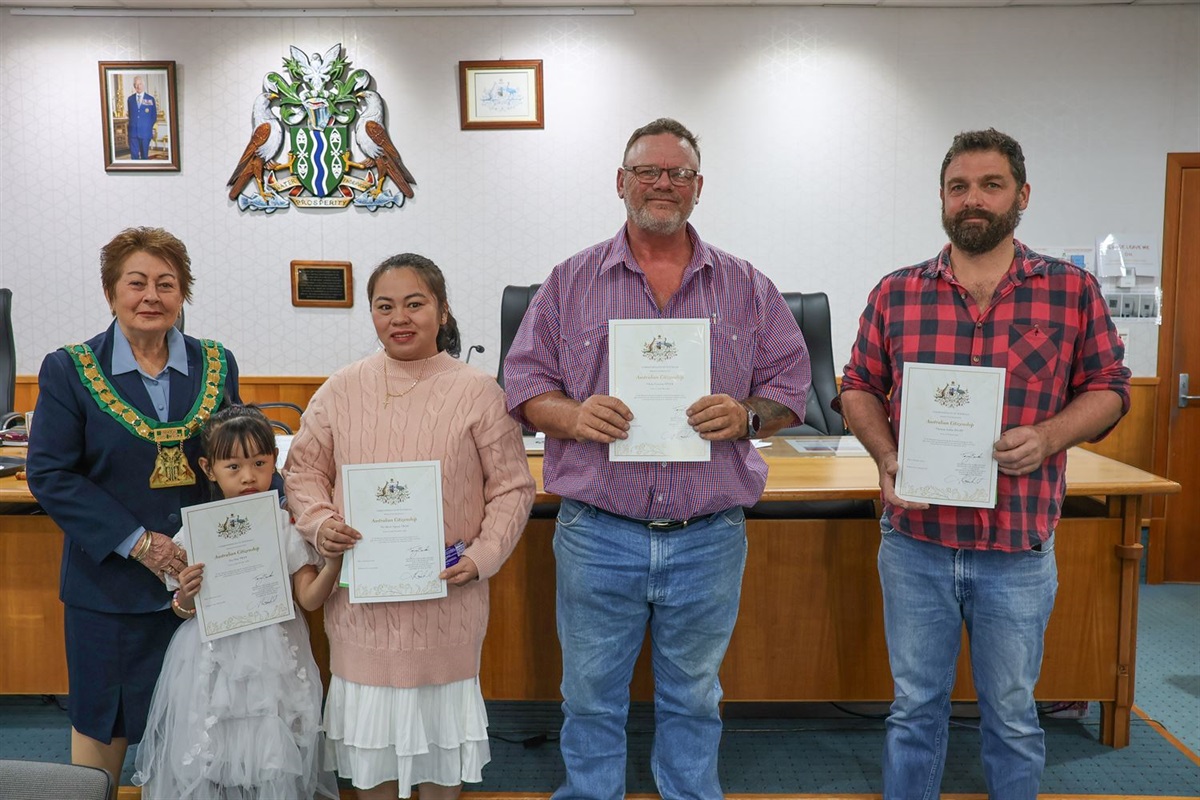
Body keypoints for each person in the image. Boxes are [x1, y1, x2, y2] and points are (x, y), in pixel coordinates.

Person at [502, 117, 811, 799]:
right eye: (648, 171)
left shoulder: (748, 287)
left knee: (695, 697)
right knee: (589, 697)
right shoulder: (570, 282)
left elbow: (792, 389)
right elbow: (523, 385)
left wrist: (746, 415)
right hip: (597, 532)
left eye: (678, 173)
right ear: (622, 182)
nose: (663, 183)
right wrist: (573, 417)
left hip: (708, 536)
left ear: (699, 187)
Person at [836, 128, 1131, 800]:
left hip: (1016, 547)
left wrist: (1049, 437)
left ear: (1022, 196)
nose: (973, 199)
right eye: (958, 186)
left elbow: (1111, 387)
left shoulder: (1070, 290)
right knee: (913, 711)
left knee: (1014, 716)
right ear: (942, 198)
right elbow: (857, 386)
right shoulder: (897, 292)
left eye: (991, 185)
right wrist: (886, 455)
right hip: (916, 543)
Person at [283, 253, 535, 800]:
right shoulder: (340, 389)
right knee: (371, 764)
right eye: (385, 306)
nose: (399, 317)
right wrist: (321, 523)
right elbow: (302, 471)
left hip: (446, 608)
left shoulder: (479, 392)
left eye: (414, 304)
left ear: (442, 311)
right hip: (362, 615)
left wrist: (482, 556)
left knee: (440, 764)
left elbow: (513, 487)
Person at [27, 227, 256, 793]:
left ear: (183, 294)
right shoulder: (69, 369)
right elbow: (51, 474)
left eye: (166, 284)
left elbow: (234, 459)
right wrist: (140, 542)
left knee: (202, 738)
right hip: (109, 593)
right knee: (102, 736)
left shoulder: (216, 363)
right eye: (136, 283)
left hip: (203, 588)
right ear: (111, 292)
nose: (151, 295)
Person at [133, 405, 340, 800]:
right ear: (208, 469)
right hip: (212, 658)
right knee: (214, 748)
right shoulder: (197, 531)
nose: (248, 476)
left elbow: (309, 599)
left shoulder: (285, 526)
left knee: (270, 749)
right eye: (233, 466)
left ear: (274, 460)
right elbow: (182, 610)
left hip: (274, 654)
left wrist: (331, 563)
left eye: (259, 463)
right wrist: (186, 593)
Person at [126, 76, 157, 160]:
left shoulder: (150, 99)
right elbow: (130, 115)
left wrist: (147, 127)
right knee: (134, 157)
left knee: (144, 157)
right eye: (136, 84)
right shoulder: (130, 99)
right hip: (133, 134)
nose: (138, 86)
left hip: (145, 133)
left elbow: (153, 117)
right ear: (134, 86)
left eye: (140, 84)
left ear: (143, 85)